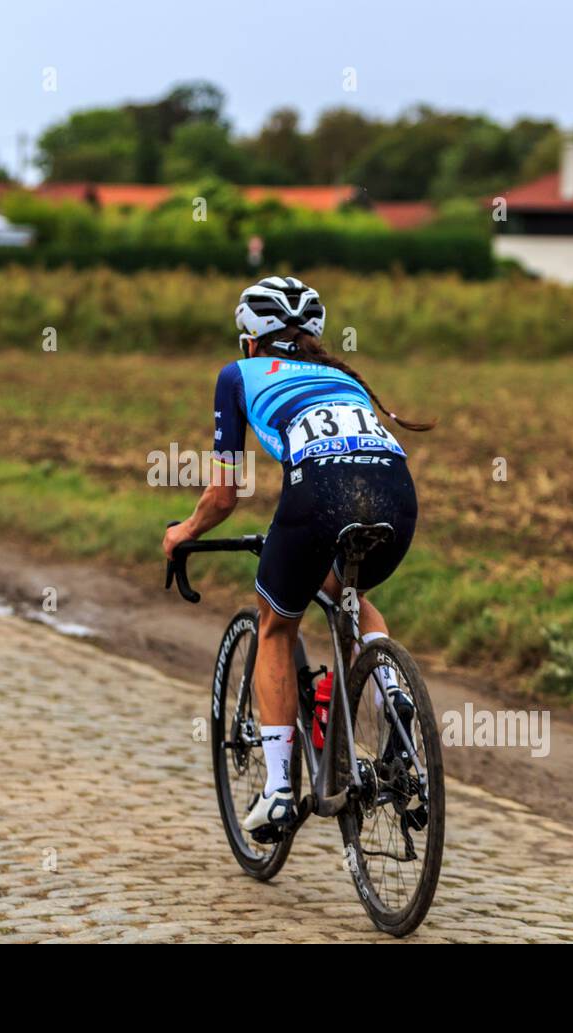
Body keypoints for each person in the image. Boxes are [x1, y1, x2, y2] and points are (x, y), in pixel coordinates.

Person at [161, 276, 434, 834]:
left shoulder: (238, 375)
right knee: (348, 593)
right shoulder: (342, 377)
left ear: (251, 342)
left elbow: (224, 494)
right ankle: (392, 693)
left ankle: (279, 790)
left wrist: (183, 531)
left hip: (319, 497)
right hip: (397, 494)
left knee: (275, 626)